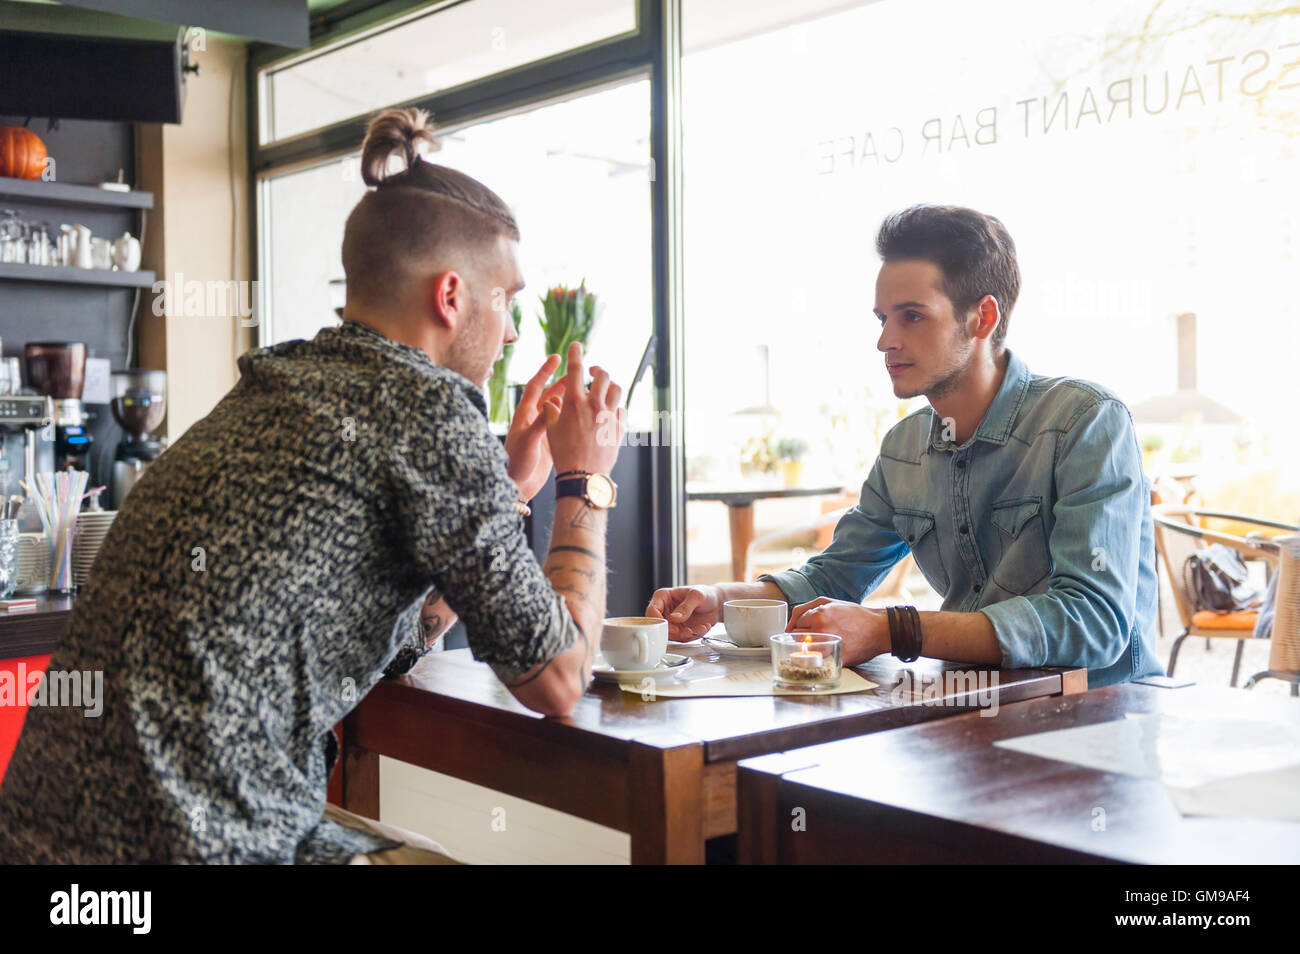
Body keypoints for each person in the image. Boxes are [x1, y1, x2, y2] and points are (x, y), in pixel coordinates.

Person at [0, 107, 625, 864]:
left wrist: (508, 491)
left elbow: (382, 645)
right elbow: (559, 678)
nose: (515, 330)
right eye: (507, 300)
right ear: (451, 295)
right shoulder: (424, 406)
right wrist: (583, 480)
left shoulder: (281, 382)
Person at [648, 204, 1164, 688]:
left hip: (1106, 713)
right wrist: (720, 599)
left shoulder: (1084, 421)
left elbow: (1094, 622)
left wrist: (892, 629)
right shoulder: (905, 446)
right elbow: (836, 573)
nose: (885, 341)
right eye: (882, 318)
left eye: (912, 316)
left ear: (983, 318)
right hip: (972, 710)